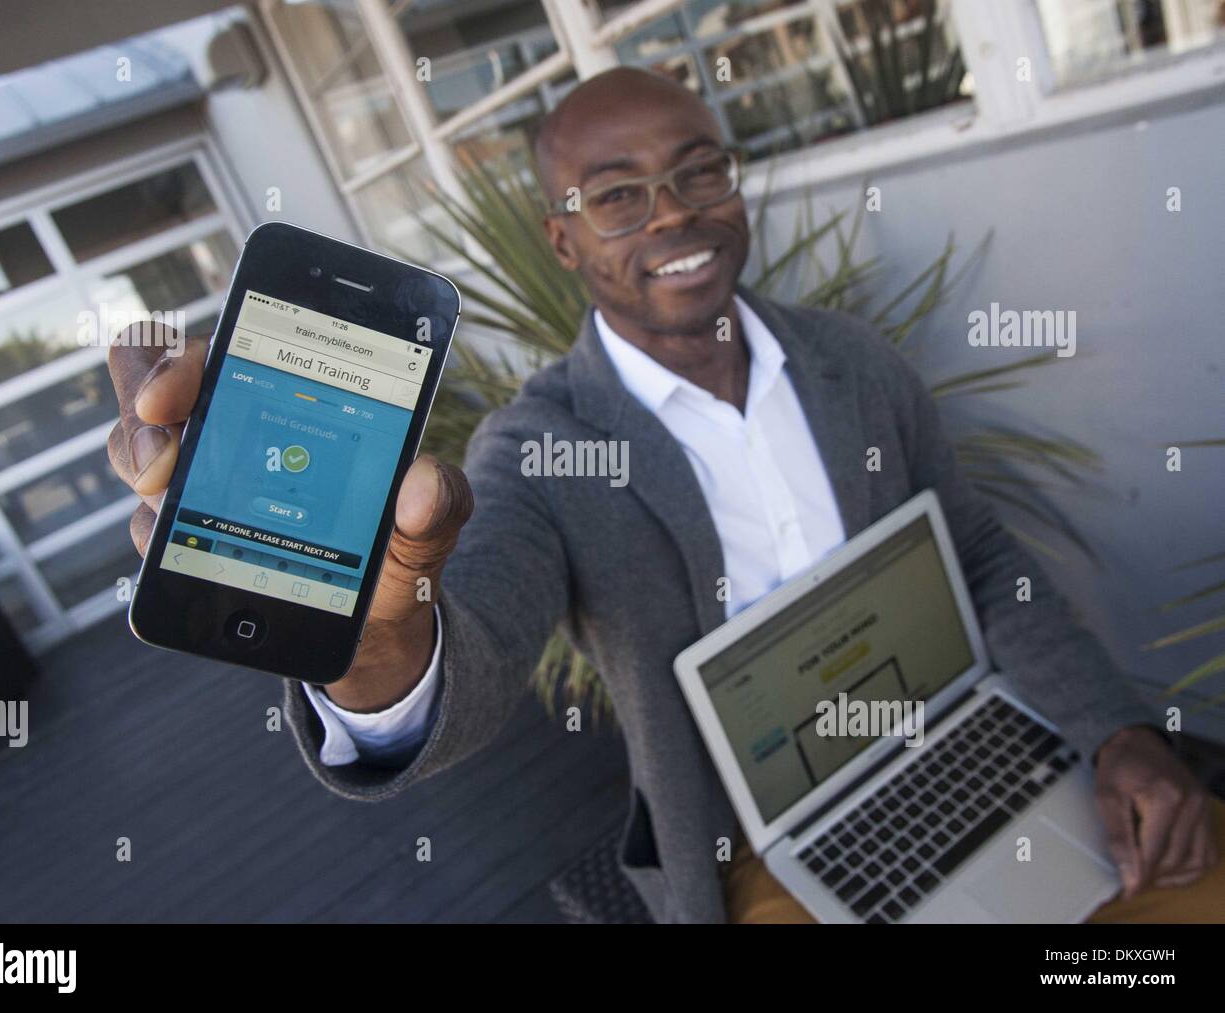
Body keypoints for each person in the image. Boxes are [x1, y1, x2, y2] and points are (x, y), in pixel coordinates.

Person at [107, 68, 1221, 923]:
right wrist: (370, 639)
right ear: (561, 239)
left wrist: (1114, 727)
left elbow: (977, 554)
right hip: (759, 847)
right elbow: (481, 646)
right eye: (615, 195)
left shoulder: (851, 358)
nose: (674, 214)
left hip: (983, 749)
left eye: (699, 171)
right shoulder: (541, 446)